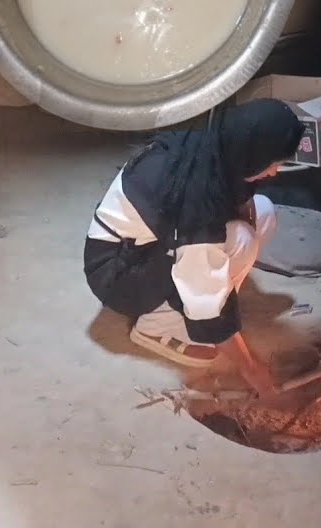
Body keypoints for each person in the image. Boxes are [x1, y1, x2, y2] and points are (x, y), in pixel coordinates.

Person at [84, 99, 305, 397]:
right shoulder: (198, 198)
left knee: (262, 212)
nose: (275, 172)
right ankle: (157, 327)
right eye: (274, 163)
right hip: (117, 271)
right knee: (240, 241)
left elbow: (234, 204)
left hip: (142, 244)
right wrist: (250, 368)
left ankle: (191, 306)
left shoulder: (215, 146)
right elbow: (202, 278)